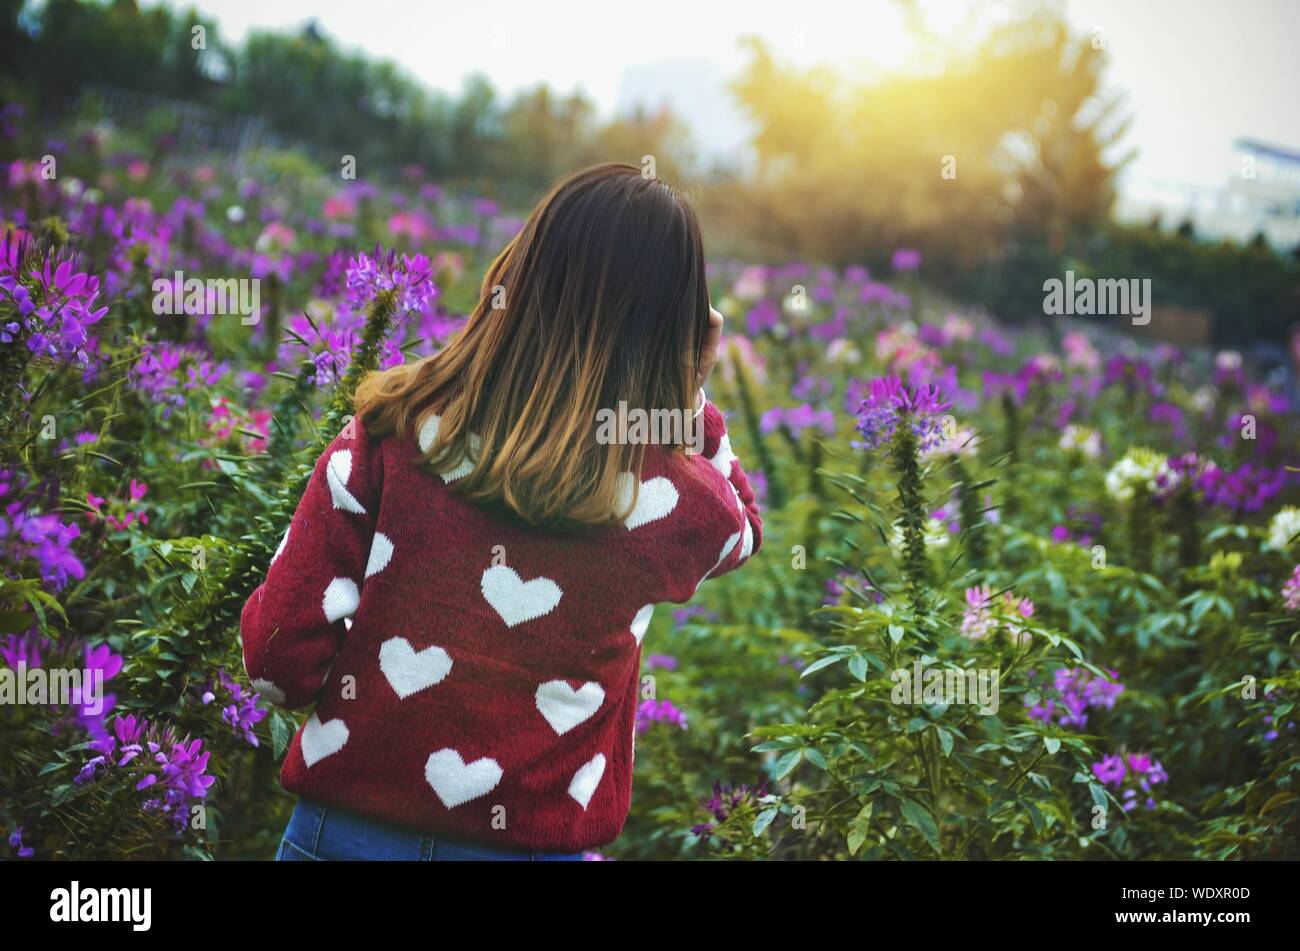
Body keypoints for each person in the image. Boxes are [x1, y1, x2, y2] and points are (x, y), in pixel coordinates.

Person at [242, 163, 763, 861]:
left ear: (514, 277)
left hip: (341, 837)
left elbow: (278, 663)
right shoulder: (672, 499)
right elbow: (743, 528)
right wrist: (690, 401)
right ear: (677, 331)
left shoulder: (390, 433)